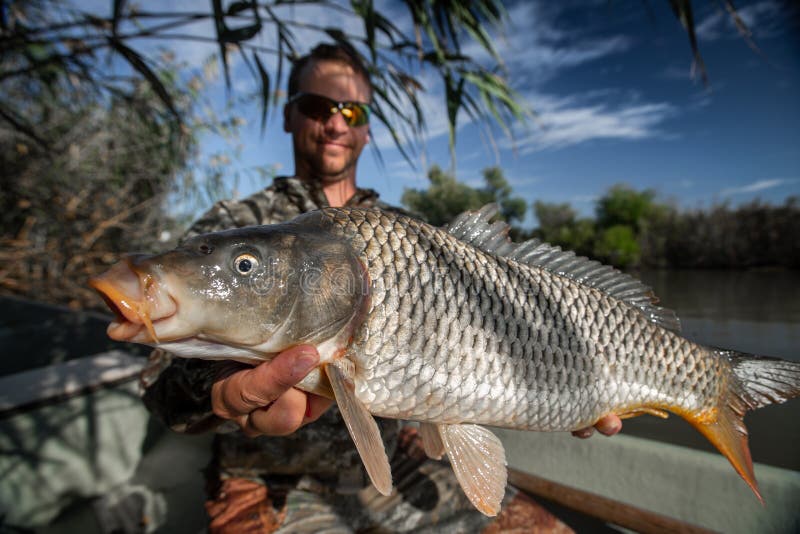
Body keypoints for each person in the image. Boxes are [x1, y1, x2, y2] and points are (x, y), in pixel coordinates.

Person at [142, 42, 622, 532]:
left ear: (366, 130)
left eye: (352, 111)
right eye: (317, 107)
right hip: (269, 483)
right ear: (289, 116)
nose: (335, 124)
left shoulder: (411, 234)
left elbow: (480, 353)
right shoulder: (233, 227)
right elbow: (159, 387)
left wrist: (564, 386)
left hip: (399, 466)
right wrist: (220, 390)